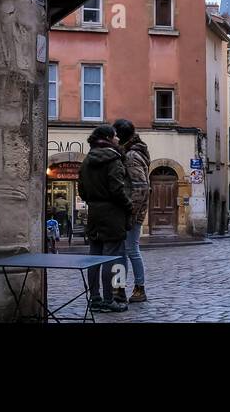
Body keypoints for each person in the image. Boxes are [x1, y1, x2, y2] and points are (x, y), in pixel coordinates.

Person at [76, 124, 133, 313]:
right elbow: (118, 189)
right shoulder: (114, 160)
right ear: (109, 138)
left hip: (93, 212)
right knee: (111, 256)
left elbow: (82, 191)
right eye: (115, 136)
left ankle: (95, 298)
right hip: (113, 213)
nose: (118, 139)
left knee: (94, 256)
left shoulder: (86, 161)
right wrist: (128, 205)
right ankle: (109, 300)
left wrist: (94, 200)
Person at [113, 117, 151, 304]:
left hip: (130, 212)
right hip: (128, 211)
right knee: (123, 250)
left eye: (114, 135)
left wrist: (132, 213)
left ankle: (138, 288)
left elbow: (141, 186)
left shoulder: (131, 156)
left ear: (120, 136)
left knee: (130, 250)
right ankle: (119, 289)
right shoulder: (134, 151)